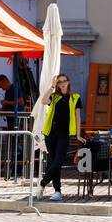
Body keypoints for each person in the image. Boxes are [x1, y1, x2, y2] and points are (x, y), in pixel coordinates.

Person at [39, 73, 83, 202]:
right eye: (59, 82)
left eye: (64, 80)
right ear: (57, 84)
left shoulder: (76, 97)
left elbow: (78, 117)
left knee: (59, 160)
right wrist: (51, 87)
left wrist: (79, 134)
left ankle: (43, 183)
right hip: (51, 133)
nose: (62, 83)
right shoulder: (54, 96)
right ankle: (57, 191)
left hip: (65, 134)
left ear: (68, 82)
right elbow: (43, 101)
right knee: (54, 162)